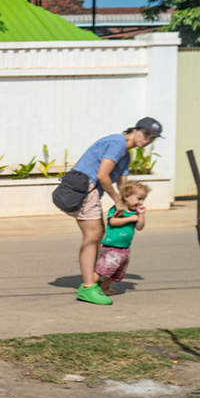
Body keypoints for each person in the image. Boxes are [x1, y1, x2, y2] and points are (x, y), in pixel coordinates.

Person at [64, 118, 163, 305]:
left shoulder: (126, 155)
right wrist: (118, 201)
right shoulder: (118, 142)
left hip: (91, 191)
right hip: (85, 188)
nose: (148, 140)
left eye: (153, 138)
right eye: (146, 134)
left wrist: (130, 204)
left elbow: (123, 187)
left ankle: (92, 282)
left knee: (96, 235)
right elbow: (102, 175)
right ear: (135, 130)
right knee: (93, 236)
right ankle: (88, 287)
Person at [95, 181, 149, 297]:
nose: (141, 202)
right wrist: (130, 219)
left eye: (143, 199)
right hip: (111, 246)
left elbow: (139, 227)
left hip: (124, 248)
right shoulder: (118, 209)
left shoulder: (135, 213)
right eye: (139, 198)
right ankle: (89, 286)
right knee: (104, 269)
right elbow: (113, 221)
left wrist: (141, 215)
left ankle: (104, 287)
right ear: (126, 196)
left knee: (117, 271)